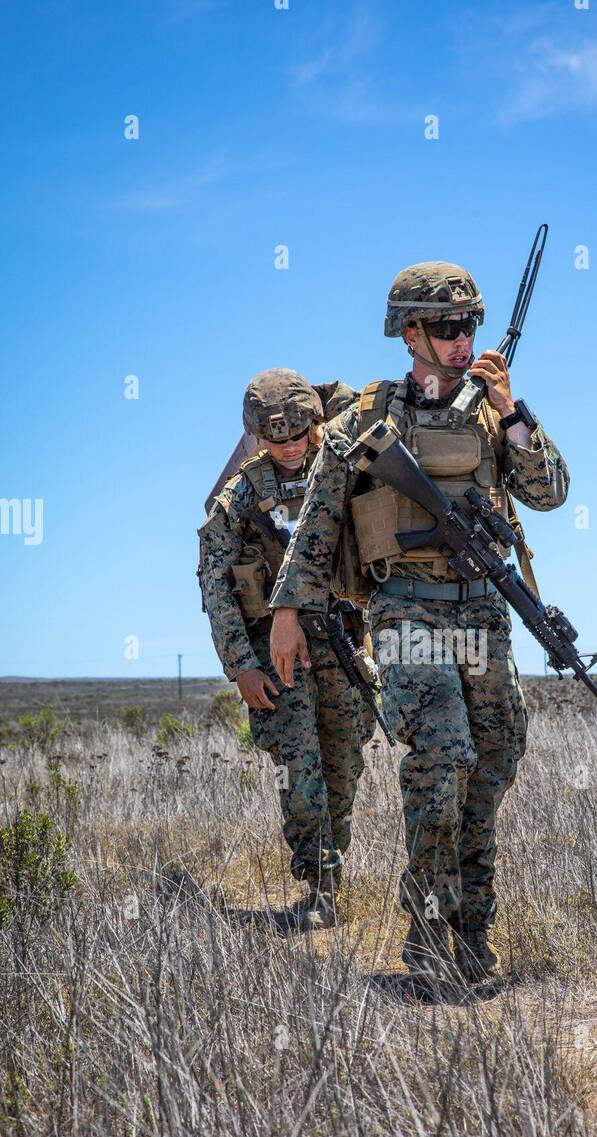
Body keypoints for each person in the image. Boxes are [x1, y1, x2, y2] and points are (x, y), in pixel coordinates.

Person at [268, 264, 568, 983]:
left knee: (495, 753)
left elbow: (550, 492)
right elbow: (316, 525)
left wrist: (513, 407)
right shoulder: (366, 419)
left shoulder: (494, 413)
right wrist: (287, 611)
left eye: (471, 324)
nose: (464, 340)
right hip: (407, 609)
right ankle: (428, 937)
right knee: (444, 758)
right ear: (410, 333)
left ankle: (473, 929)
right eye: (447, 327)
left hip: (482, 609)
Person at [198, 368, 371, 930]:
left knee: (342, 763)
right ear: (257, 437)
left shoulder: (343, 471)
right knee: (301, 770)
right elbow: (215, 584)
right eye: (278, 438)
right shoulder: (240, 498)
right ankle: (319, 884)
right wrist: (240, 668)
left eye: (301, 433)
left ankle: (333, 870)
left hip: (342, 643)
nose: (292, 446)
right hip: (274, 657)